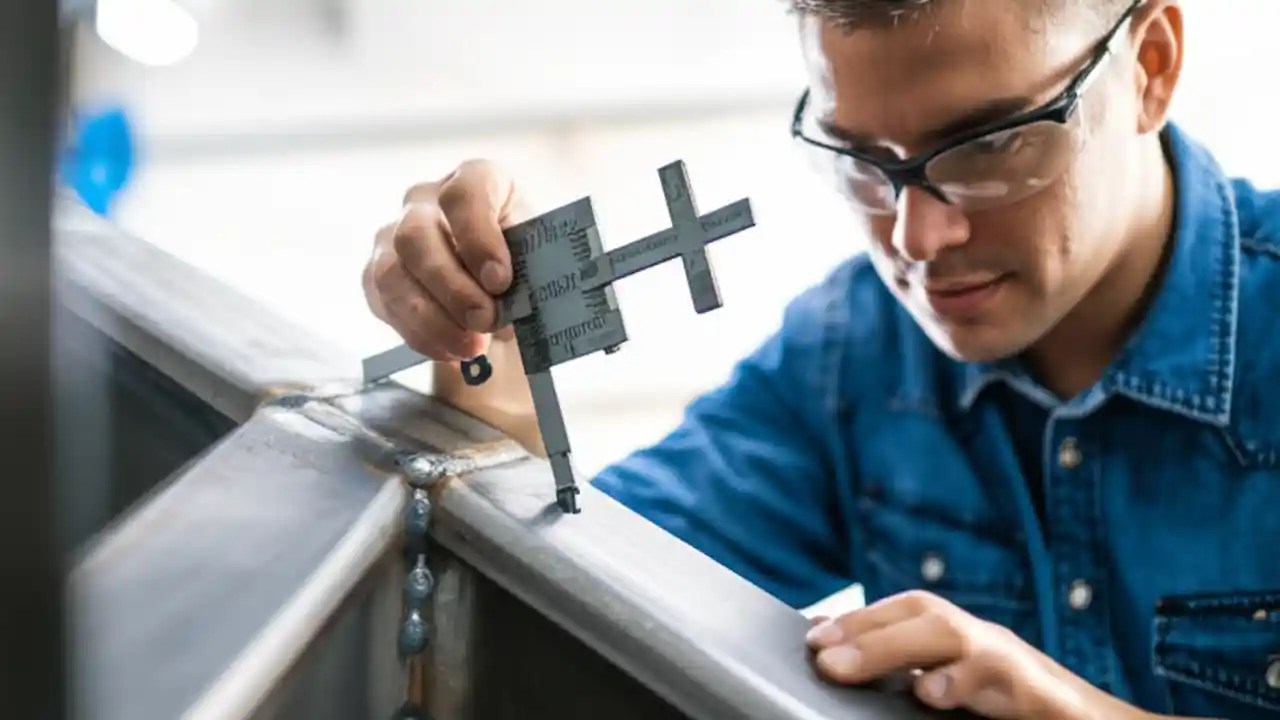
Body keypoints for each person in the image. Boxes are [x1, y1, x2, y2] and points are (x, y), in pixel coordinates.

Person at [362, 0, 1280, 717]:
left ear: (1152, 66)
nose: (919, 237)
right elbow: (548, 604)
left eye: (993, 145)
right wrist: (502, 342)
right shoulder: (852, 359)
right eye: (861, 160)